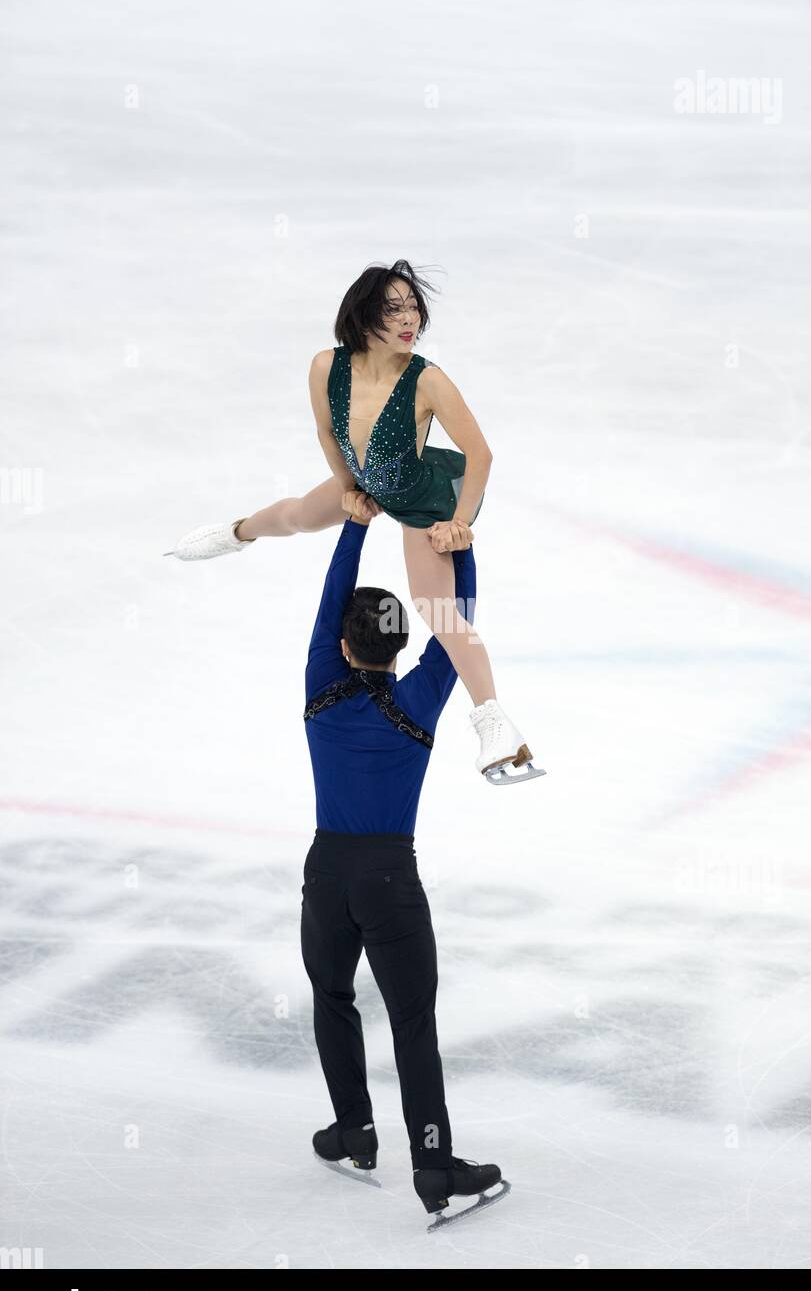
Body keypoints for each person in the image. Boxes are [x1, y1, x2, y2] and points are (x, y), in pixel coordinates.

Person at [164, 259, 545, 786]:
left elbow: (480, 455)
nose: (409, 318)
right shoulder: (327, 366)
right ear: (364, 317)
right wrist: (348, 488)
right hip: (367, 478)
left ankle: (495, 724)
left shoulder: (428, 379)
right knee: (299, 514)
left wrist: (460, 524)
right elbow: (328, 433)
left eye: (413, 306)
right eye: (395, 309)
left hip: (422, 495)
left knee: (437, 610)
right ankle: (235, 533)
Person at [298, 503, 507, 1221]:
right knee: (412, 1021)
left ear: (345, 645)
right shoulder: (416, 702)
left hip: (325, 876)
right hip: (390, 880)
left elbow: (332, 602)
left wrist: (355, 525)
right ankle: (434, 1163)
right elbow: (459, 629)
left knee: (333, 998)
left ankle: (353, 1128)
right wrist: (464, 552)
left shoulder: (320, 688)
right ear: (398, 645)